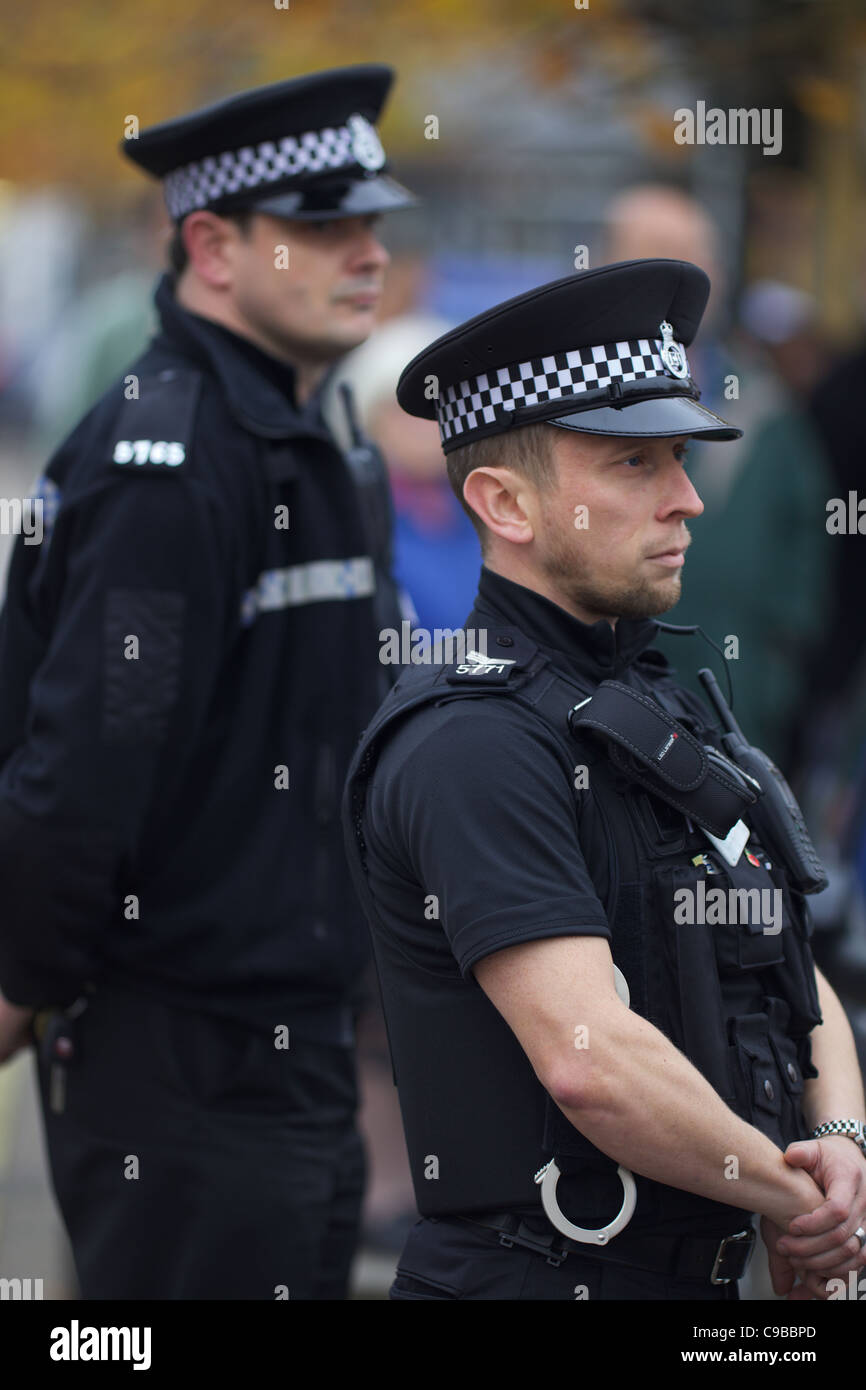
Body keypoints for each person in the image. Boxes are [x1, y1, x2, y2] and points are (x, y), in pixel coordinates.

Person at [342, 260, 866, 1301]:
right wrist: (794, 1199)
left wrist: (839, 1142)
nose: (684, 501)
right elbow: (590, 1059)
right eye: (633, 465)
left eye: (679, 458)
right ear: (505, 503)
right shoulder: (472, 740)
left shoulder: (660, 699)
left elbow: (788, 958)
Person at [0, 63, 415, 1299]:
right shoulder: (171, 462)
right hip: (181, 1056)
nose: (365, 253)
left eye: (372, 223)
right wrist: (22, 981)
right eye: (321, 225)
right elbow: (84, 768)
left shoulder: (312, 433)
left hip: (291, 1043)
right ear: (211, 246)